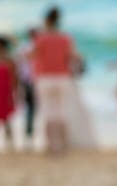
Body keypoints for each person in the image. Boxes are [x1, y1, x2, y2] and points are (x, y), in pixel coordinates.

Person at [32, 6, 78, 155]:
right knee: (63, 111)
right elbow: (73, 56)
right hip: (63, 77)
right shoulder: (66, 38)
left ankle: (51, 144)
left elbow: (33, 55)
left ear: (46, 21)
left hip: (45, 78)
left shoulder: (41, 38)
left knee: (47, 111)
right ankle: (64, 144)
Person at [15, 28, 38, 148]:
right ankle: (29, 135)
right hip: (33, 81)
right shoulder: (32, 46)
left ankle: (29, 135)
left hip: (28, 80)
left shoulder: (23, 46)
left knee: (29, 109)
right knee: (32, 109)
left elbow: (18, 65)